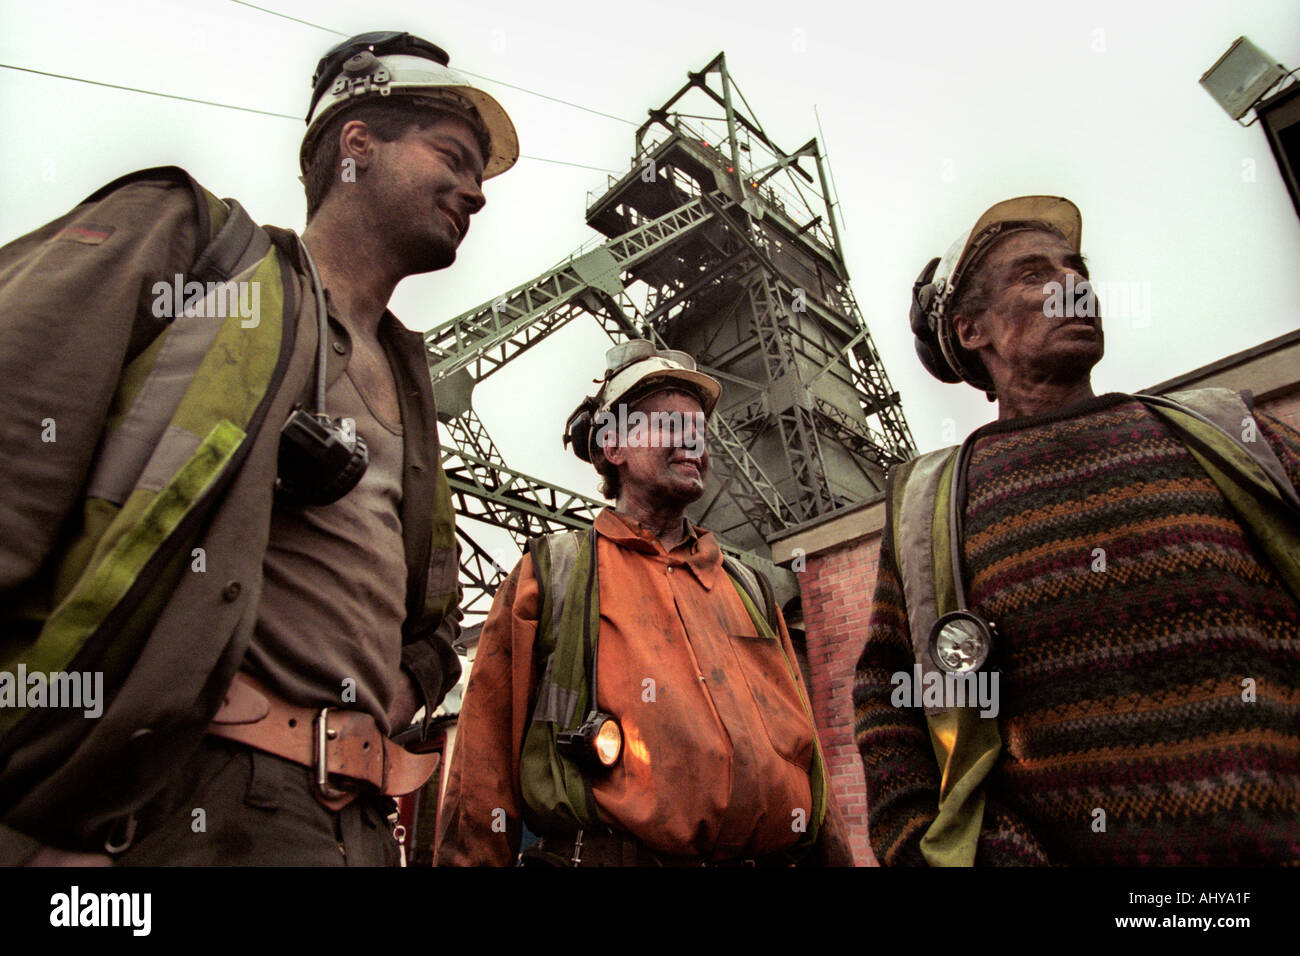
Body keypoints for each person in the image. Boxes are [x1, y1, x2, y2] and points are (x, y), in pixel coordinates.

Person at [0, 31, 518, 865]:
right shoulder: (196, 251)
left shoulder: (414, 393)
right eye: (451, 155)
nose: (475, 192)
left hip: (354, 822)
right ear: (357, 144)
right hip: (171, 797)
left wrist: (368, 718)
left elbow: (430, 629)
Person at [853, 195, 1300, 865]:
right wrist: (920, 845)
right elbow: (890, 692)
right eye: (1035, 275)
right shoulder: (932, 503)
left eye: (1077, 269)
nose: (1074, 286)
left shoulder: (1227, 434)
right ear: (972, 330)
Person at [436, 340, 854, 866]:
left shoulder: (745, 586)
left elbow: (807, 755)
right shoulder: (555, 574)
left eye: (699, 432)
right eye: (671, 428)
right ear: (613, 447)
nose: (694, 446)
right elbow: (482, 767)